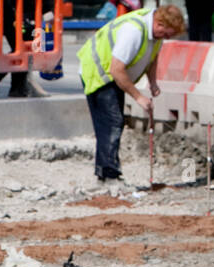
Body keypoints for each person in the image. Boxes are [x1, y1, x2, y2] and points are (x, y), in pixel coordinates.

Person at [77, 4, 186, 181]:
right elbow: (117, 69)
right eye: (166, 34)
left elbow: (152, 56)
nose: (166, 38)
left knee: (113, 122)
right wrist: (139, 97)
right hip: (99, 72)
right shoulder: (133, 31)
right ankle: (108, 176)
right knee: (112, 122)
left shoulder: (155, 33)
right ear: (159, 24)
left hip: (111, 74)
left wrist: (153, 82)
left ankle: (106, 172)